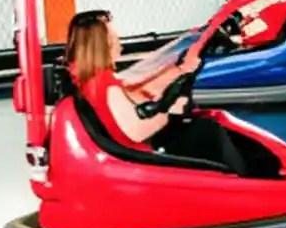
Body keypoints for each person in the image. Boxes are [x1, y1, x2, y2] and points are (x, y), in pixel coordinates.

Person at [64, 10, 247, 174]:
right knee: (209, 131)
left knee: (201, 128)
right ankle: (244, 184)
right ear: (103, 46)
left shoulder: (94, 81)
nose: (119, 42)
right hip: (141, 161)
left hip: (135, 155)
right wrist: (168, 110)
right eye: (113, 38)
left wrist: (179, 70)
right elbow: (137, 132)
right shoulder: (107, 88)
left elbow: (137, 90)